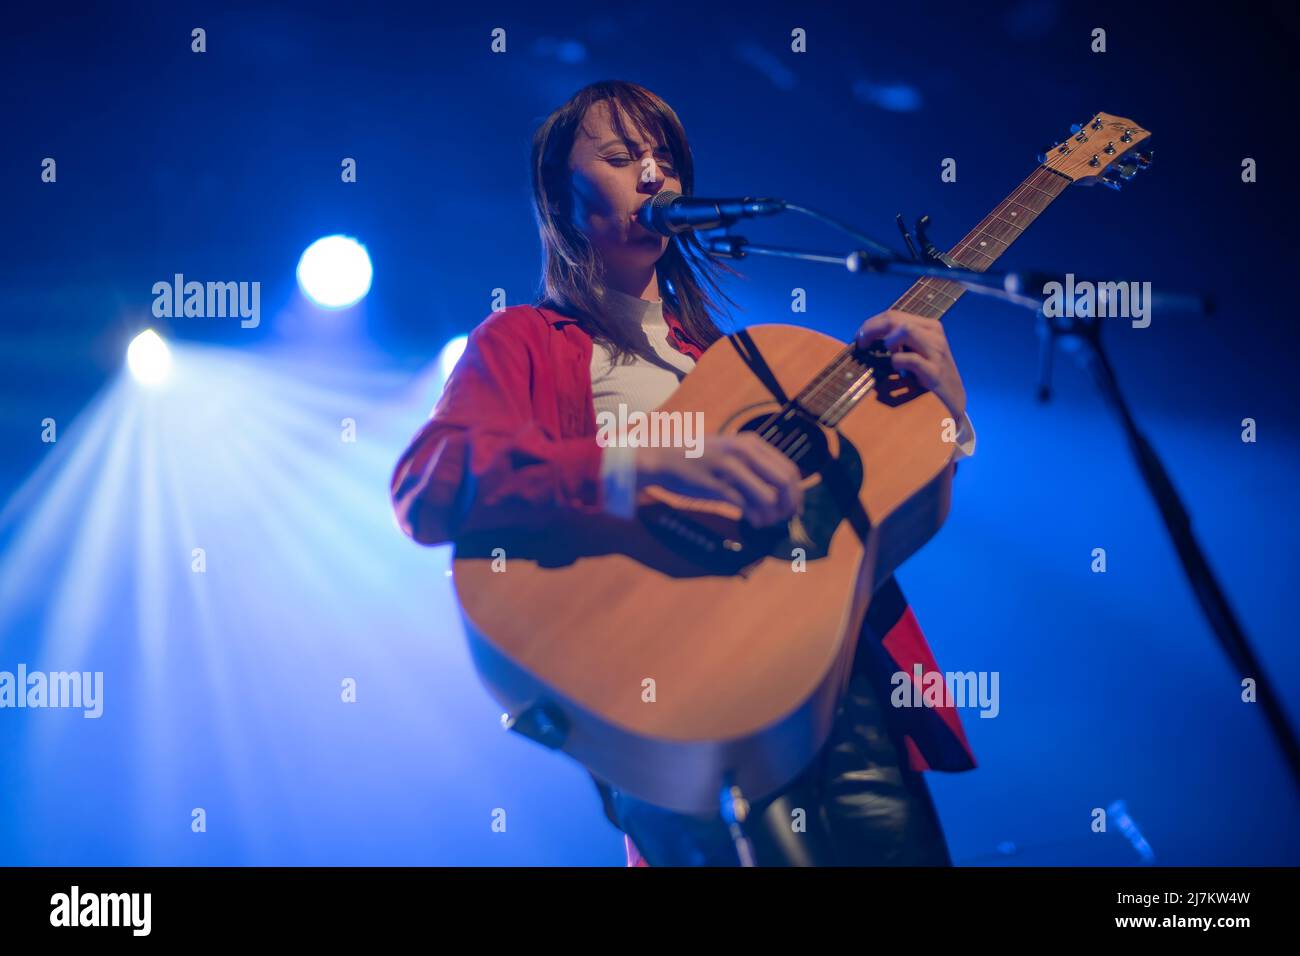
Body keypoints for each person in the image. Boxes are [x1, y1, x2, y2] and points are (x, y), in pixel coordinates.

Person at [391, 80, 978, 866]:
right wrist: (641, 463)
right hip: (665, 695)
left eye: (665, 158)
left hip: (841, 685)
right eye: (621, 155)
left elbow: (866, 517)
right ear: (561, 200)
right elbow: (430, 483)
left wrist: (949, 417)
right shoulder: (525, 339)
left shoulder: (743, 366)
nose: (654, 174)